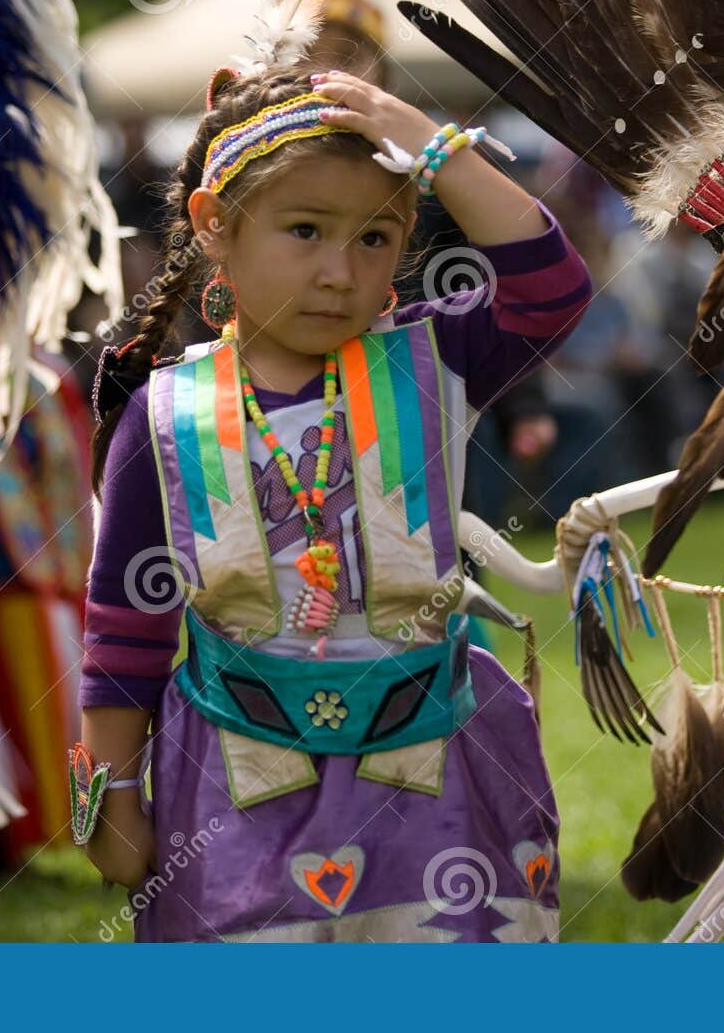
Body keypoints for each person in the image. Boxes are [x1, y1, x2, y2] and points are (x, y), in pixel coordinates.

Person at [75, 65, 591, 941]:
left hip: (426, 767)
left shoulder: (437, 357)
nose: (339, 273)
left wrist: (436, 151)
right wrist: (112, 797)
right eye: (305, 230)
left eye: (375, 239)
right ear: (215, 226)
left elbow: (551, 291)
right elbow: (124, 624)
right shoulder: (162, 416)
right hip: (236, 778)